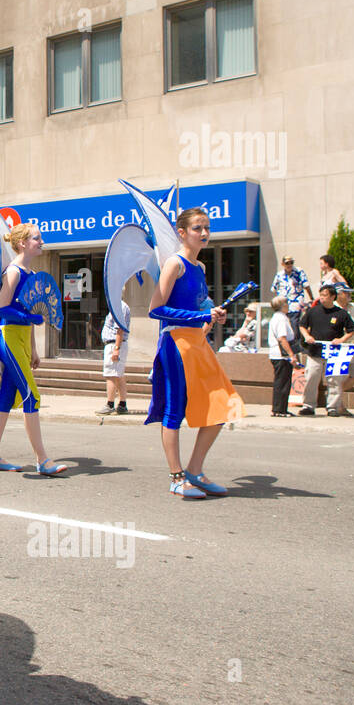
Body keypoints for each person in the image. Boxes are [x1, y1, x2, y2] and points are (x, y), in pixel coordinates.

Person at [144, 207, 243, 498]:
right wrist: (198, 316)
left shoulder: (199, 268)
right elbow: (156, 309)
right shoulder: (175, 264)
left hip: (199, 343)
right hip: (175, 342)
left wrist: (213, 315)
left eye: (207, 228)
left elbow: (199, 306)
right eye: (198, 228)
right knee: (174, 410)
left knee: (222, 406)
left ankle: (195, 471)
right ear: (182, 232)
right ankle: (176, 477)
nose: (204, 233)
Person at [0, 224, 66, 476]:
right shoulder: (14, 272)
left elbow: (30, 314)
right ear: (22, 243)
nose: (41, 242)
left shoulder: (31, 272)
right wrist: (30, 319)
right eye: (36, 238)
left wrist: (34, 348)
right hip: (8, 339)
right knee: (32, 396)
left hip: (22, 341)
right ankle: (42, 460)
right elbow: (2, 308)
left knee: (6, 398)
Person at [299, 283, 354, 417]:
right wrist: (307, 336)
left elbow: (352, 330)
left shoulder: (341, 313)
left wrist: (341, 340)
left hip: (334, 351)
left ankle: (332, 407)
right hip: (315, 350)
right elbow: (302, 325)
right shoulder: (313, 311)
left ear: (332, 297)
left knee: (334, 380)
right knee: (311, 378)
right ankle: (308, 406)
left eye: (325, 295)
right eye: (321, 295)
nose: (322, 298)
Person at [266, 296, 301, 417]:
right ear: (282, 306)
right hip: (281, 355)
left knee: (280, 382)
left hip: (276, 354)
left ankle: (279, 408)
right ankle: (279, 409)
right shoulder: (281, 319)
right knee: (283, 382)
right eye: (286, 303)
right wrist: (291, 354)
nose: (288, 305)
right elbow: (282, 338)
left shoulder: (277, 318)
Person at [271, 255, 313, 353]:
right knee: (284, 323)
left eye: (291, 262)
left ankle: (296, 345)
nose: (289, 265)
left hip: (295, 301)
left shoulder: (298, 271)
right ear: (282, 264)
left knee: (294, 322)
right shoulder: (279, 274)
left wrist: (311, 298)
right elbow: (274, 288)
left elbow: (306, 285)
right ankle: (286, 345)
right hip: (283, 302)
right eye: (287, 263)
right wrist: (279, 299)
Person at [96, 311, 129, 416]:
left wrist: (116, 348)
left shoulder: (119, 307)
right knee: (119, 375)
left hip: (114, 344)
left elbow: (120, 329)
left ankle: (110, 404)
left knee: (111, 375)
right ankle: (122, 404)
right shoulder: (116, 306)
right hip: (114, 344)